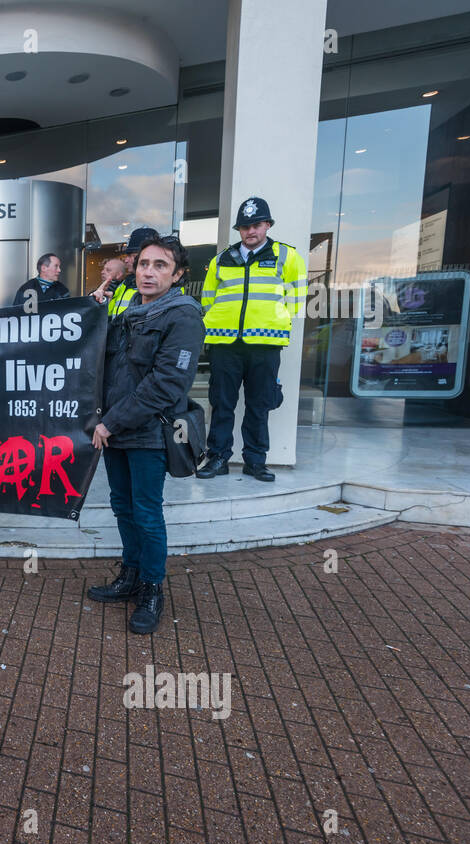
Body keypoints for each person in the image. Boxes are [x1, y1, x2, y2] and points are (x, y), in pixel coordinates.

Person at [87, 235, 204, 635]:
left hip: (147, 433)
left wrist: (111, 422)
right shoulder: (131, 308)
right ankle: (130, 575)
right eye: (144, 265)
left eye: (160, 266)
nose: (148, 272)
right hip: (116, 430)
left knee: (147, 513)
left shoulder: (184, 316)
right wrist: (92, 310)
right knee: (123, 506)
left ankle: (152, 589)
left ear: (178, 274)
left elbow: (167, 383)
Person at [196, 197, 306, 482]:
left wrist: (278, 318)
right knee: (221, 403)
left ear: (267, 225)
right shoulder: (222, 259)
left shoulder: (287, 256)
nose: (250, 231)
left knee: (259, 405)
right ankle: (218, 457)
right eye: (244, 226)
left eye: (256, 225)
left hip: (265, 343)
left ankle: (255, 461)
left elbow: (296, 296)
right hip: (225, 343)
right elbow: (208, 299)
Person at [91, 227, 158, 318]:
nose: (126, 260)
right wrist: (101, 300)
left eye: (131, 256)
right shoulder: (124, 284)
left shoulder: (159, 287)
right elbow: (110, 316)